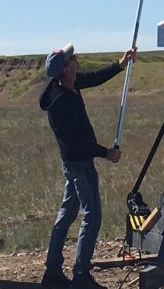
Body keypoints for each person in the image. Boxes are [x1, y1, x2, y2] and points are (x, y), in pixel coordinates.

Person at [40, 44, 136, 289]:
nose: (76, 60)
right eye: (72, 59)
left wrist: (120, 64)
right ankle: (81, 275)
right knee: (92, 216)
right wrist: (106, 153)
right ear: (65, 70)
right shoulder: (62, 101)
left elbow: (94, 78)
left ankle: (52, 271)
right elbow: (80, 144)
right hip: (79, 164)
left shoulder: (67, 84)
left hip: (75, 164)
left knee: (67, 215)